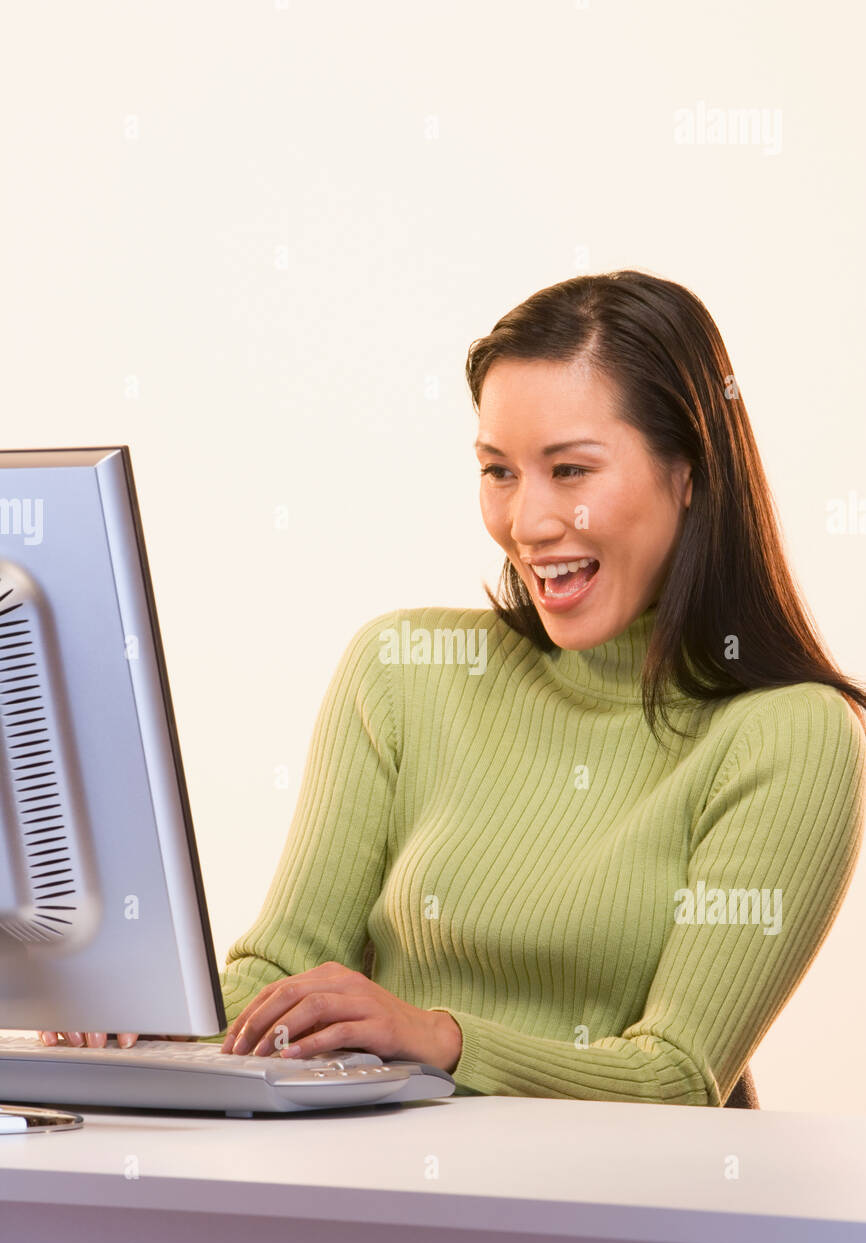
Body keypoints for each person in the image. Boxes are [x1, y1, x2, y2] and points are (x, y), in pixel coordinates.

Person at [41, 270, 866, 1106]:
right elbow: (280, 968)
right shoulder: (405, 670)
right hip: (392, 1201)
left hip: (622, 1219)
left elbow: (677, 1079)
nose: (529, 521)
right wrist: (154, 1018)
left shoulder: (789, 734)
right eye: (499, 471)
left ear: (688, 473)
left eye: (571, 470)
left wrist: (438, 1037)